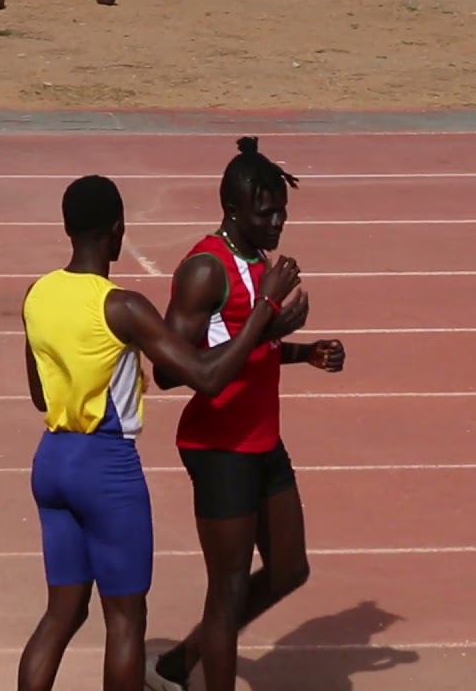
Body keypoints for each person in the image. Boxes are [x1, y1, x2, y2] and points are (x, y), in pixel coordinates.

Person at [18, 174, 303, 691]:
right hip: (106, 468)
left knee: (61, 612)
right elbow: (204, 376)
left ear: (66, 228)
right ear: (118, 231)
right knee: (125, 620)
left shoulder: (36, 296)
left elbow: (40, 395)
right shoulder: (122, 307)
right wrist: (267, 309)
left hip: (51, 460)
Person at [145, 137, 346, 691]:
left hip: (261, 439)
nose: (279, 220)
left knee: (289, 569)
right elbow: (171, 372)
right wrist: (267, 317)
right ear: (233, 210)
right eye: (267, 212)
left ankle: (179, 663)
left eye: (282, 209)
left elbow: (246, 346)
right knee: (228, 587)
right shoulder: (205, 270)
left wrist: (304, 351)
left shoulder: (257, 259)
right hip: (217, 447)